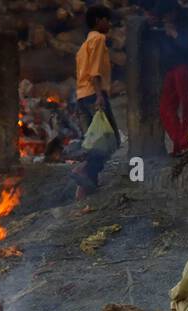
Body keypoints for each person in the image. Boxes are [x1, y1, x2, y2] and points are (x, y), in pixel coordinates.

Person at [73, 6, 118, 199]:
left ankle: (87, 187)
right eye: (107, 20)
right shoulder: (99, 39)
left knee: (94, 141)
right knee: (109, 139)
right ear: (99, 21)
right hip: (94, 94)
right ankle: (83, 170)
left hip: (82, 96)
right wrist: (100, 95)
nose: (109, 24)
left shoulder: (84, 45)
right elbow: (95, 72)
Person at [151, 1, 188, 157]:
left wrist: (174, 33)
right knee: (165, 107)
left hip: (183, 66)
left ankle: (187, 142)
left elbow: (187, 45)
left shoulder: (185, 24)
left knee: (187, 104)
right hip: (169, 69)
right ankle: (178, 141)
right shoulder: (161, 27)